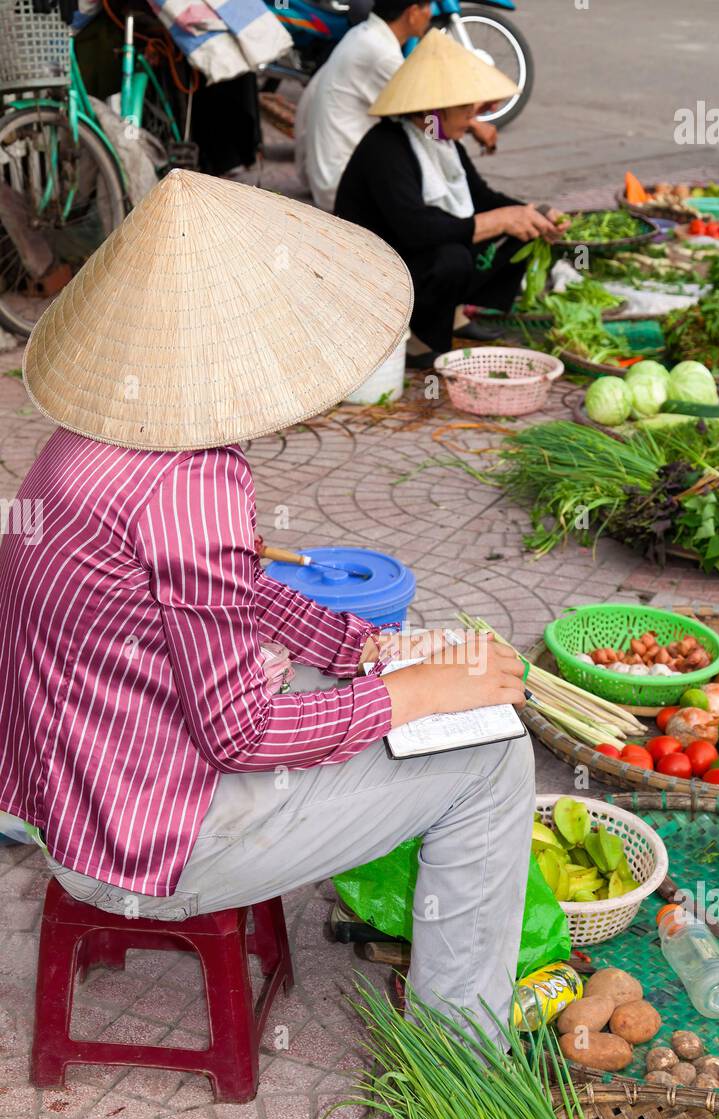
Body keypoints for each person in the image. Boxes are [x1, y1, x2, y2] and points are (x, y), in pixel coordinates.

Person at [0, 170, 534, 1042]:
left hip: (76, 788)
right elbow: (238, 736)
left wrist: (368, 650)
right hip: (142, 839)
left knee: (380, 677)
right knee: (492, 764)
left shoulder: (96, 433)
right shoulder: (198, 481)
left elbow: (224, 589)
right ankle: (463, 1060)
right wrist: (421, 692)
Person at [335, 29, 564, 364]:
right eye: (467, 110)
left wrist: (533, 212)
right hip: (379, 267)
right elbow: (416, 228)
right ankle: (414, 337)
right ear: (436, 109)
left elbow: (482, 197)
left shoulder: (443, 142)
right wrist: (498, 220)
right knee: (453, 258)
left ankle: (452, 312)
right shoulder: (386, 148)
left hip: (421, 251)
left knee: (521, 233)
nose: (474, 119)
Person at [295, 0, 497, 214]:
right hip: (341, 185)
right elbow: (429, 119)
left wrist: (468, 119)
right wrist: (471, 122)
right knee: (434, 143)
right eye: (426, 7)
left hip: (326, 170)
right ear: (412, 12)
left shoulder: (363, 35)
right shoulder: (380, 53)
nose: (429, 15)